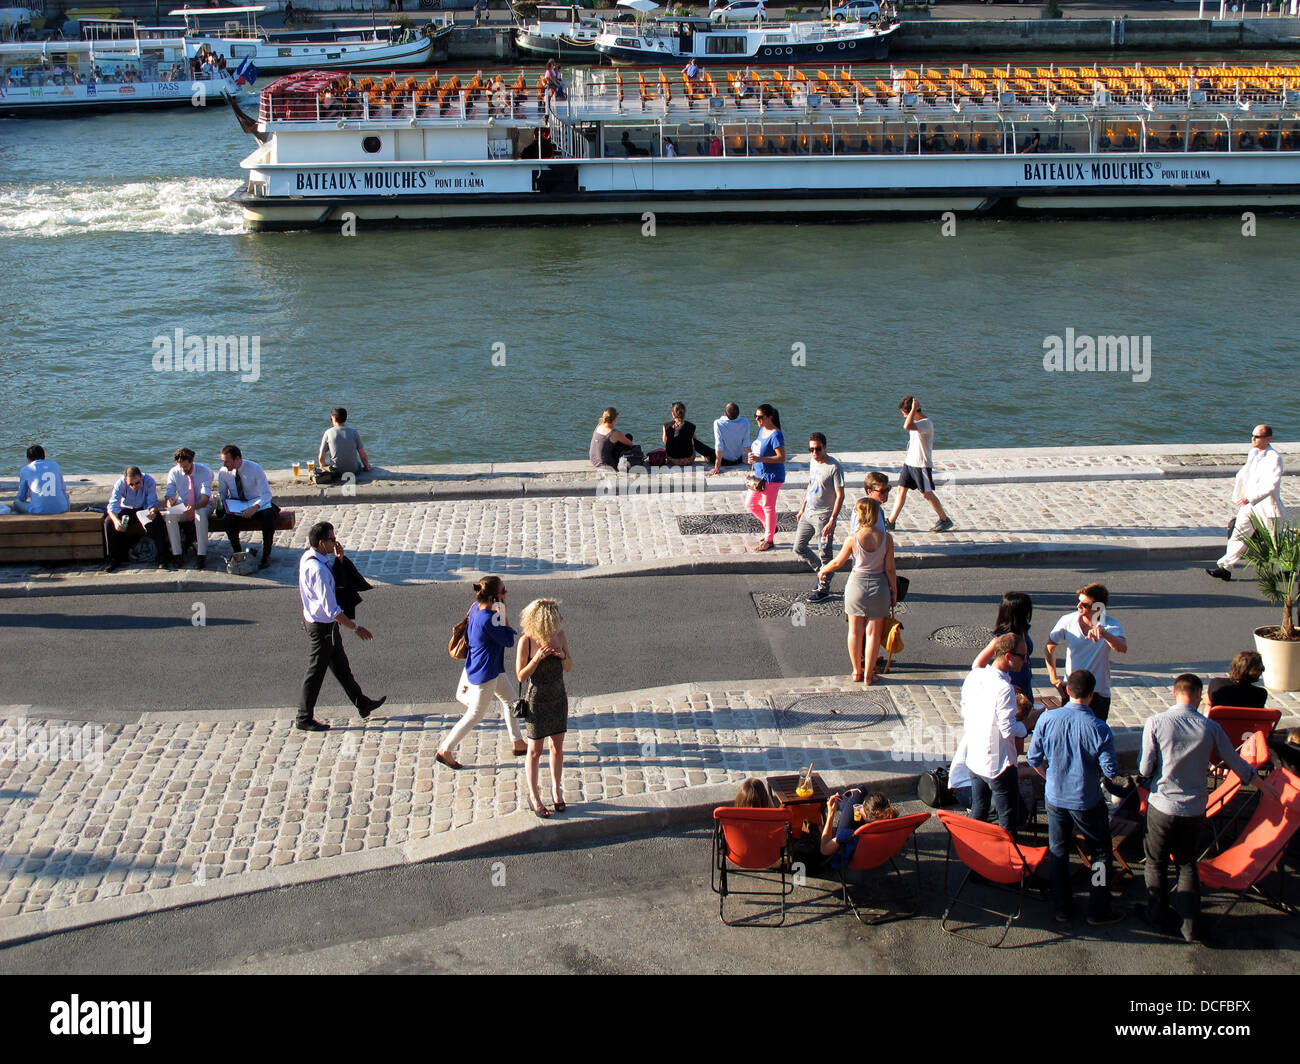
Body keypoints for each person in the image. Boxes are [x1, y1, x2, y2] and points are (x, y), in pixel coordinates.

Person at [1139, 673, 1273, 942]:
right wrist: (1267, 787)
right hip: (1194, 809)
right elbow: (1238, 764)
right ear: (1200, 697)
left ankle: (1158, 916)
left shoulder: (1156, 722)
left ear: (1174, 693)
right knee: (1187, 864)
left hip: (1162, 806)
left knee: (1156, 863)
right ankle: (1190, 926)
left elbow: (1144, 768)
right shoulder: (1210, 729)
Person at [1026, 668, 1125, 926]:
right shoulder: (1099, 728)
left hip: (1056, 797)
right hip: (1086, 800)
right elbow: (1111, 770)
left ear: (1067, 691)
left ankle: (1062, 907)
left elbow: (1034, 758)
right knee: (1101, 853)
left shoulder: (1047, 719)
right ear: (1092, 695)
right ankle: (1098, 907)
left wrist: (1050, 778)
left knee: (1058, 852)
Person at [296, 521, 387, 732]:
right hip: (322, 629)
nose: (335, 542)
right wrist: (355, 628)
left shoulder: (310, 558)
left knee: (341, 667)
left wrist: (340, 560)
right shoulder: (318, 570)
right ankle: (303, 717)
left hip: (323, 626)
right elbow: (333, 611)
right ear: (321, 543)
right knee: (315, 674)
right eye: (331, 539)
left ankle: (362, 703)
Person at [437, 576, 528, 769]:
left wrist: (499, 609)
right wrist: (504, 612)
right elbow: (508, 640)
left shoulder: (475, 608)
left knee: (511, 701)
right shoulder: (490, 619)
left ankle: (518, 742)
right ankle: (446, 750)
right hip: (486, 672)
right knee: (475, 714)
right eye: (504, 591)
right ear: (495, 596)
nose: (506, 593)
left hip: (487, 666)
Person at [819, 497, 897, 685]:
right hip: (879, 586)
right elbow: (890, 569)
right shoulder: (886, 538)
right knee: (873, 634)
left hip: (856, 586)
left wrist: (823, 570)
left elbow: (838, 562)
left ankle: (856, 671)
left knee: (854, 631)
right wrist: (893, 589)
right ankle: (869, 675)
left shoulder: (852, 538)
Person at [957, 632, 1028, 833]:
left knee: (979, 811)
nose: (1025, 661)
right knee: (1007, 819)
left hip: (975, 757)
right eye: (1022, 656)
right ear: (1008, 657)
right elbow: (1008, 730)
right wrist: (1028, 725)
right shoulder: (1004, 688)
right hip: (998, 764)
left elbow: (966, 707)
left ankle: (975, 852)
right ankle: (1008, 859)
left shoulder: (976, 675)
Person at [516, 597, 572, 818]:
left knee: (557, 747)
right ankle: (534, 796)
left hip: (558, 697)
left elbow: (569, 666)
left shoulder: (560, 636)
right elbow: (521, 675)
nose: (560, 621)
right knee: (535, 751)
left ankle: (556, 791)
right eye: (556, 618)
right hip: (537, 699)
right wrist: (537, 658)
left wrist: (562, 655)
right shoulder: (526, 641)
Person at [1206, 424, 1284, 581]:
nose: (1253, 439)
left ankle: (1289, 568)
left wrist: (1250, 497)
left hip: (1267, 506)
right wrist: (1240, 496)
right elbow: (1244, 475)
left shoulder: (1275, 458)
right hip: (1249, 505)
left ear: (1268, 439)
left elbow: (1271, 485)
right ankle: (1225, 567)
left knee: (1276, 539)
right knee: (1239, 534)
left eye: (1257, 437)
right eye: (1252, 436)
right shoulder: (1253, 453)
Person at [1045, 582, 1127, 722]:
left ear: (1098, 608)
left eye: (1085, 604)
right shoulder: (1067, 621)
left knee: (1096, 733)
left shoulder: (1111, 625)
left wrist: (1104, 634)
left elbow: (1122, 648)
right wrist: (1053, 678)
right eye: (1079, 602)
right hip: (1073, 689)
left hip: (1098, 691)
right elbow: (1049, 647)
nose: (1078, 607)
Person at [885, 396, 953, 533]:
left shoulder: (926, 423)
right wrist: (912, 412)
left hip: (921, 464)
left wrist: (912, 410)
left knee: (926, 494)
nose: (904, 416)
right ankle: (891, 521)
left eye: (905, 413)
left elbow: (907, 426)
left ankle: (944, 520)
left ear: (912, 411)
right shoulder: (915, 421)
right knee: (901, 490)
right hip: (909, 463)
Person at [796, 432, 845, 603]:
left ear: (825, 447)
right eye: (811, 449)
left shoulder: (834, 467)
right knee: (799, 547)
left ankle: (824, 589)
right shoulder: (812, 462)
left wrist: (832, 519)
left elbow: (840, 495)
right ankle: (824, 571)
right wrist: (802, 508)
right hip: (808, 513)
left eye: (817, 449)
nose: (814, 453)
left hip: (824, 517)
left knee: (825, 553)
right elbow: (811, 485)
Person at [217, 444, 280, 571]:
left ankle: (266, 554)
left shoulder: (255, 468)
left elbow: (266, 494)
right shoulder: (223, 472)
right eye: (223, 462)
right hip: (237, 504)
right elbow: (223, 494)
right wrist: (219, 501)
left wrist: (254, 507)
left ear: (237, 459)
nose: (224, 465)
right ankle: (237, 552)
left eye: (227, 462)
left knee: (267, 517)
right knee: (228, 521)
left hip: (257, 503)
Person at [103, 466, 169, 572]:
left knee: (157, 520)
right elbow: (112, 507)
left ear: (141, 478)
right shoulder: (120, 484)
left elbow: (153, 502)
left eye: (137, 483)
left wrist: (152, 512)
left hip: (143, 508)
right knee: (108, 522)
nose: (134, 486)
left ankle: (163, 556)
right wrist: (116, 521)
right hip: (126, 509)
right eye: (131, 484)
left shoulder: (149, 481)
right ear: (126, 481)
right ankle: (113, 559)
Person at [971, 592, 1035, 699]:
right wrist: (1003, 686)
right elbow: (977, 665)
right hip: (1010, 693)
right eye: (1027, 611)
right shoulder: (1001, 639)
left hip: (1025, 688)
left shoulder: (1023, 631)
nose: (1029, 615)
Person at [162, 447, 215, 570]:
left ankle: (201, 555)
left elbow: (205, 497)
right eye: (180, 466)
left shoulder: (204, 471)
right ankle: (177, 554)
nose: (183, 469)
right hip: (184, 505)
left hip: (202, 504)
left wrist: (194, 507)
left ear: (192, 462)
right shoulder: (174, 472)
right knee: (170, 515)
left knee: (200, 514)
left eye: (185, 466)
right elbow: (170, 493)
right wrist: (170, 502)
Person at [821, 789, 898, 868]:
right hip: (878, 857)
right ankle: (842, 801)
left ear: (866, 816)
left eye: (862, 806)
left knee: (860, 791)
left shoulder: (848, 834)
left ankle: (840, 800)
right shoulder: (893, 826)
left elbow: (824, 849)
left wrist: (831, 814)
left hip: (849, 858)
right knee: (859, 791)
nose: (859, 807)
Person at [745, 403, 785, 551]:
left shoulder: (776, 434)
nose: (757, 419)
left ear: (770, 417)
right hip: (758, 476)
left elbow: (781, 457)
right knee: (750, 504)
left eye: (760, 417)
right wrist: (752, 459)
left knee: (768, 507)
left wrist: (760, 460)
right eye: (755, 416)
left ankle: (769, 539)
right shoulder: (762, 431)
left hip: (772, 477)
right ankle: (771, 527)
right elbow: (758, 451)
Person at [317, 406, 372, 480]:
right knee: (358, 464)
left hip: (336, 472)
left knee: (330, 465)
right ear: (345, 419)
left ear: (333, 418)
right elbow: (363, 455)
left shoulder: (328, 433)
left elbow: (321, 458)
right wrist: (367, 467)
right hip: (353, 471)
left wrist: (323, 468)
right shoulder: (354, 432)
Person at [13, 444, 69, 515]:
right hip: (62, 509)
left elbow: (21, 497)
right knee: (66, 496)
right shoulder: (55, 465)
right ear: (44, 456)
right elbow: (63, 489)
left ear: (28, 458)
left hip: (39, 511)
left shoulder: (26, 469)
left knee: (17, 503)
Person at [661, 401, 715, 466]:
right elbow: (695, 441)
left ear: (672, 414)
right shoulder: (692, 426)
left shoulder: (666, 426)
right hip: (688, 460)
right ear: (684, 413)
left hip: (672, 460)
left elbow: (665, 441)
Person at [707, 402, 750, 475]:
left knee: (702, 447)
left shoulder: (718, 423)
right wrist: (750, 460)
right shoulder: (745, 422)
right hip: (738, 460)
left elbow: (719, 445)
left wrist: (717, 467)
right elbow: (746, 443)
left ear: (725, 414)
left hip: (724, 461)